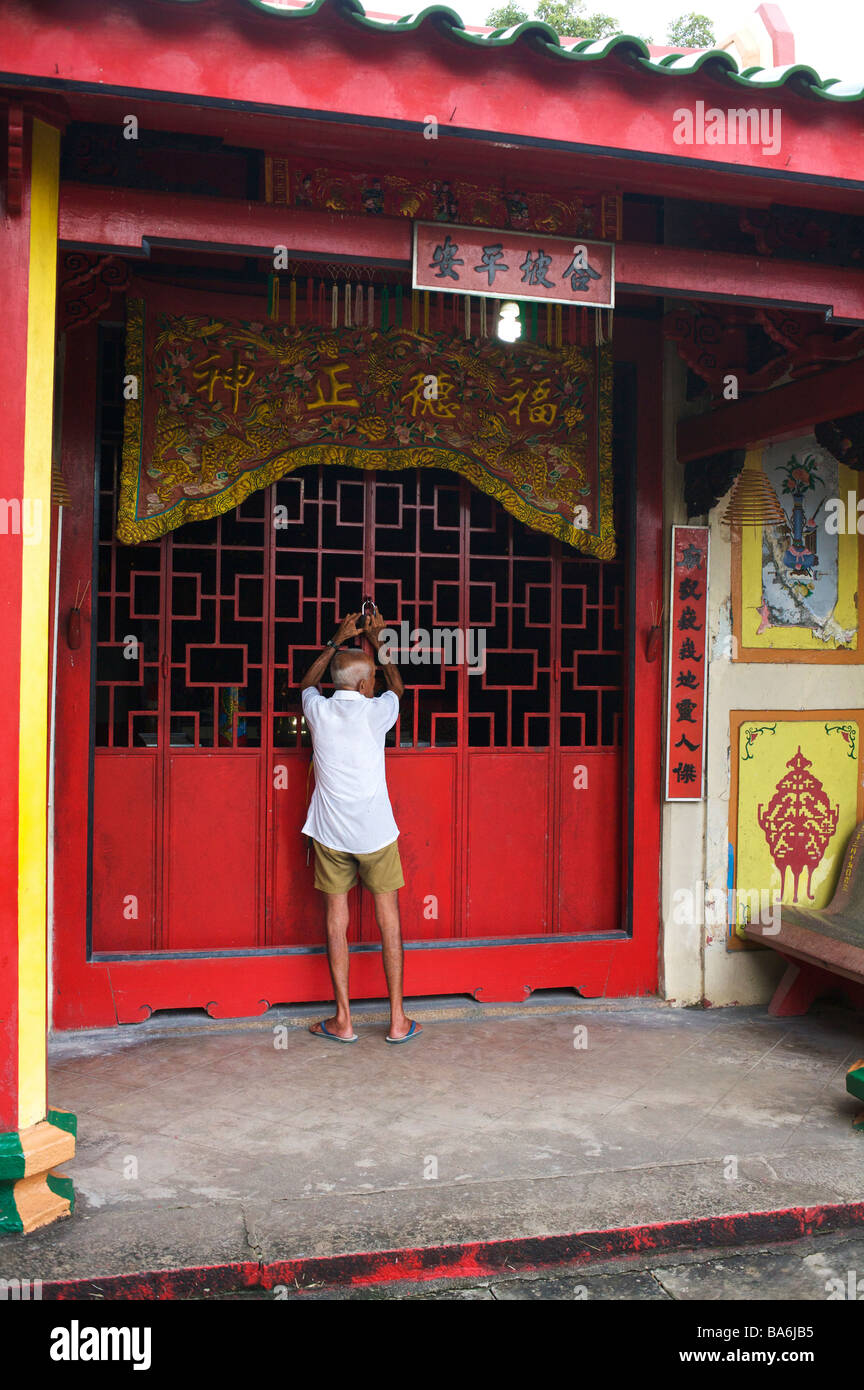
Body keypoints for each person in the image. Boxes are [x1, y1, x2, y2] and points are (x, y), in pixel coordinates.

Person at [299, 608, 421, 1045]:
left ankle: (344, 1021)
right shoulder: (377, 712)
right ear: (368, 685)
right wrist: (380, 640)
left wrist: (337, 639)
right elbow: (400, 689)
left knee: (337, 920)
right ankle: (397, 1020)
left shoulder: (318, 710)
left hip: (331, 835)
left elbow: (306, 683)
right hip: (375, 834)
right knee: (389, 921)